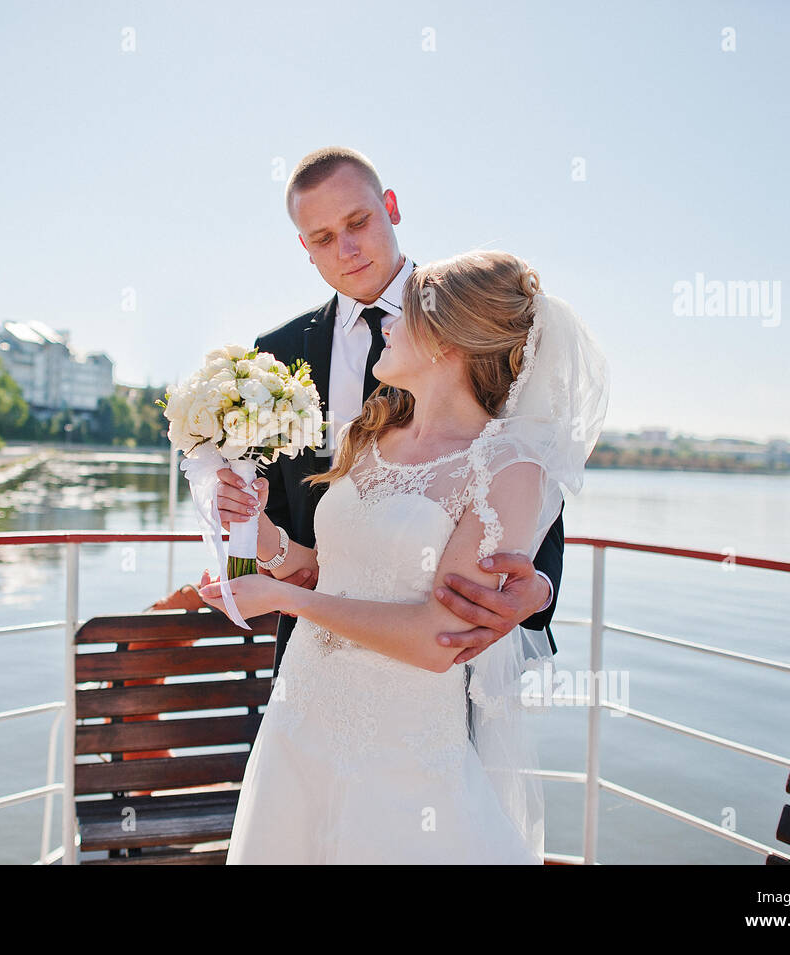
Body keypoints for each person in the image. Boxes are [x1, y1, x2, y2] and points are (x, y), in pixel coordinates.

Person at [199, 248, 608, 863]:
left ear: (447, 342)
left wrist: (286, 600)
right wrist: (259, 533)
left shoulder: (506, 468)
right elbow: (326, 568)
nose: (386, 324)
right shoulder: (377, 430)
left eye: (405, 316)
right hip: (299, 723)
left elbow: (435, 640)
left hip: (399, 752)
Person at [215, 147, 564, 677]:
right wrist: (245, 522)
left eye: (359, 222)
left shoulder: (478, 322)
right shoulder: (276, 353)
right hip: (313, 663)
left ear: (392, 207)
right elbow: (292, 530)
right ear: (304, 247)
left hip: (451, 666)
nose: (348, 249)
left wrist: (538, 589)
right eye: (324, 238)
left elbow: (528, 474)